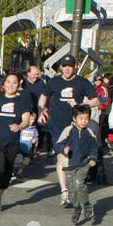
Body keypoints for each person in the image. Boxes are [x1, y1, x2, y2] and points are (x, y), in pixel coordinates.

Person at [41, 56, 99, 208]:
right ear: (60, 67)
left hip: (76, 126)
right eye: (64, 66)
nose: (67, 69)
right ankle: (64, 191)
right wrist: (42, 110)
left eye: (70, 66)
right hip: (57, 125)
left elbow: (96, 100)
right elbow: (43, 96)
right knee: (62, 156)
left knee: (76, 156)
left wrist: (81, 104)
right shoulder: (54, 81)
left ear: (75, 67)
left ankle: (75, 184)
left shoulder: (82, 82)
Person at [0, 72, 35, 214]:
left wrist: (19, 126)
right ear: (3, 85)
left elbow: (26, 120)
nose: (11, 85)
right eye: (8, 82)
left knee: (7, 174)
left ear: (19, 84)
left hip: (12, 142)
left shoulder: (23, 102)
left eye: (14, 82)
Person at [55, 105, 99, 225]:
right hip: (69, 164)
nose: (84, 121)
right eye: (81, 118)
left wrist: (93, 158)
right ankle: (77, 207)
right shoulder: (68, 130)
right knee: (72, 189)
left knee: (79, 184)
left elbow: (94, 147)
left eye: (86, 118)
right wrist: (64, 149)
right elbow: (57, 145)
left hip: (83, 163)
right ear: (74, 118)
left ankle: (86, 204)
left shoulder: (89, 132)